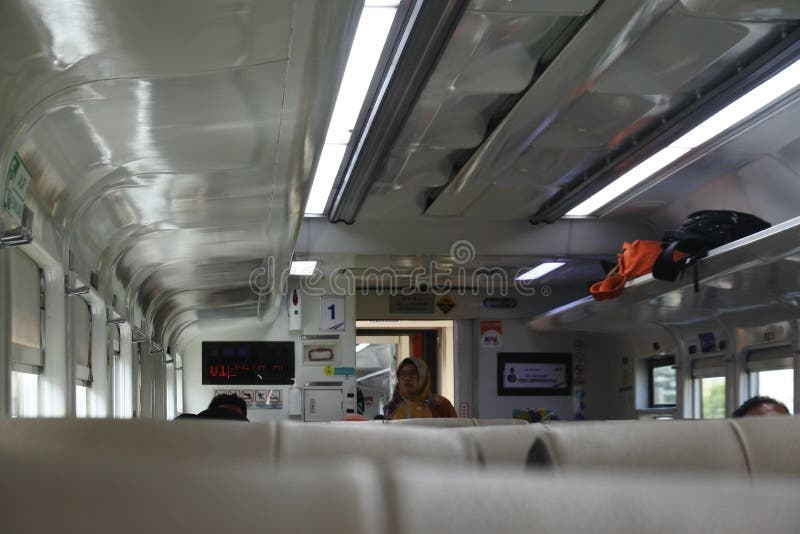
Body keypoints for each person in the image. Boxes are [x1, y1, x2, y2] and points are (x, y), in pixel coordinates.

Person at [384, 357, 457, 419]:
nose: (407, 378)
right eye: (402, 374)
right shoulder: (392, 407)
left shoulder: (441, 405)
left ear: (423, 377)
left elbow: (455, 431)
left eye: (412, 374)